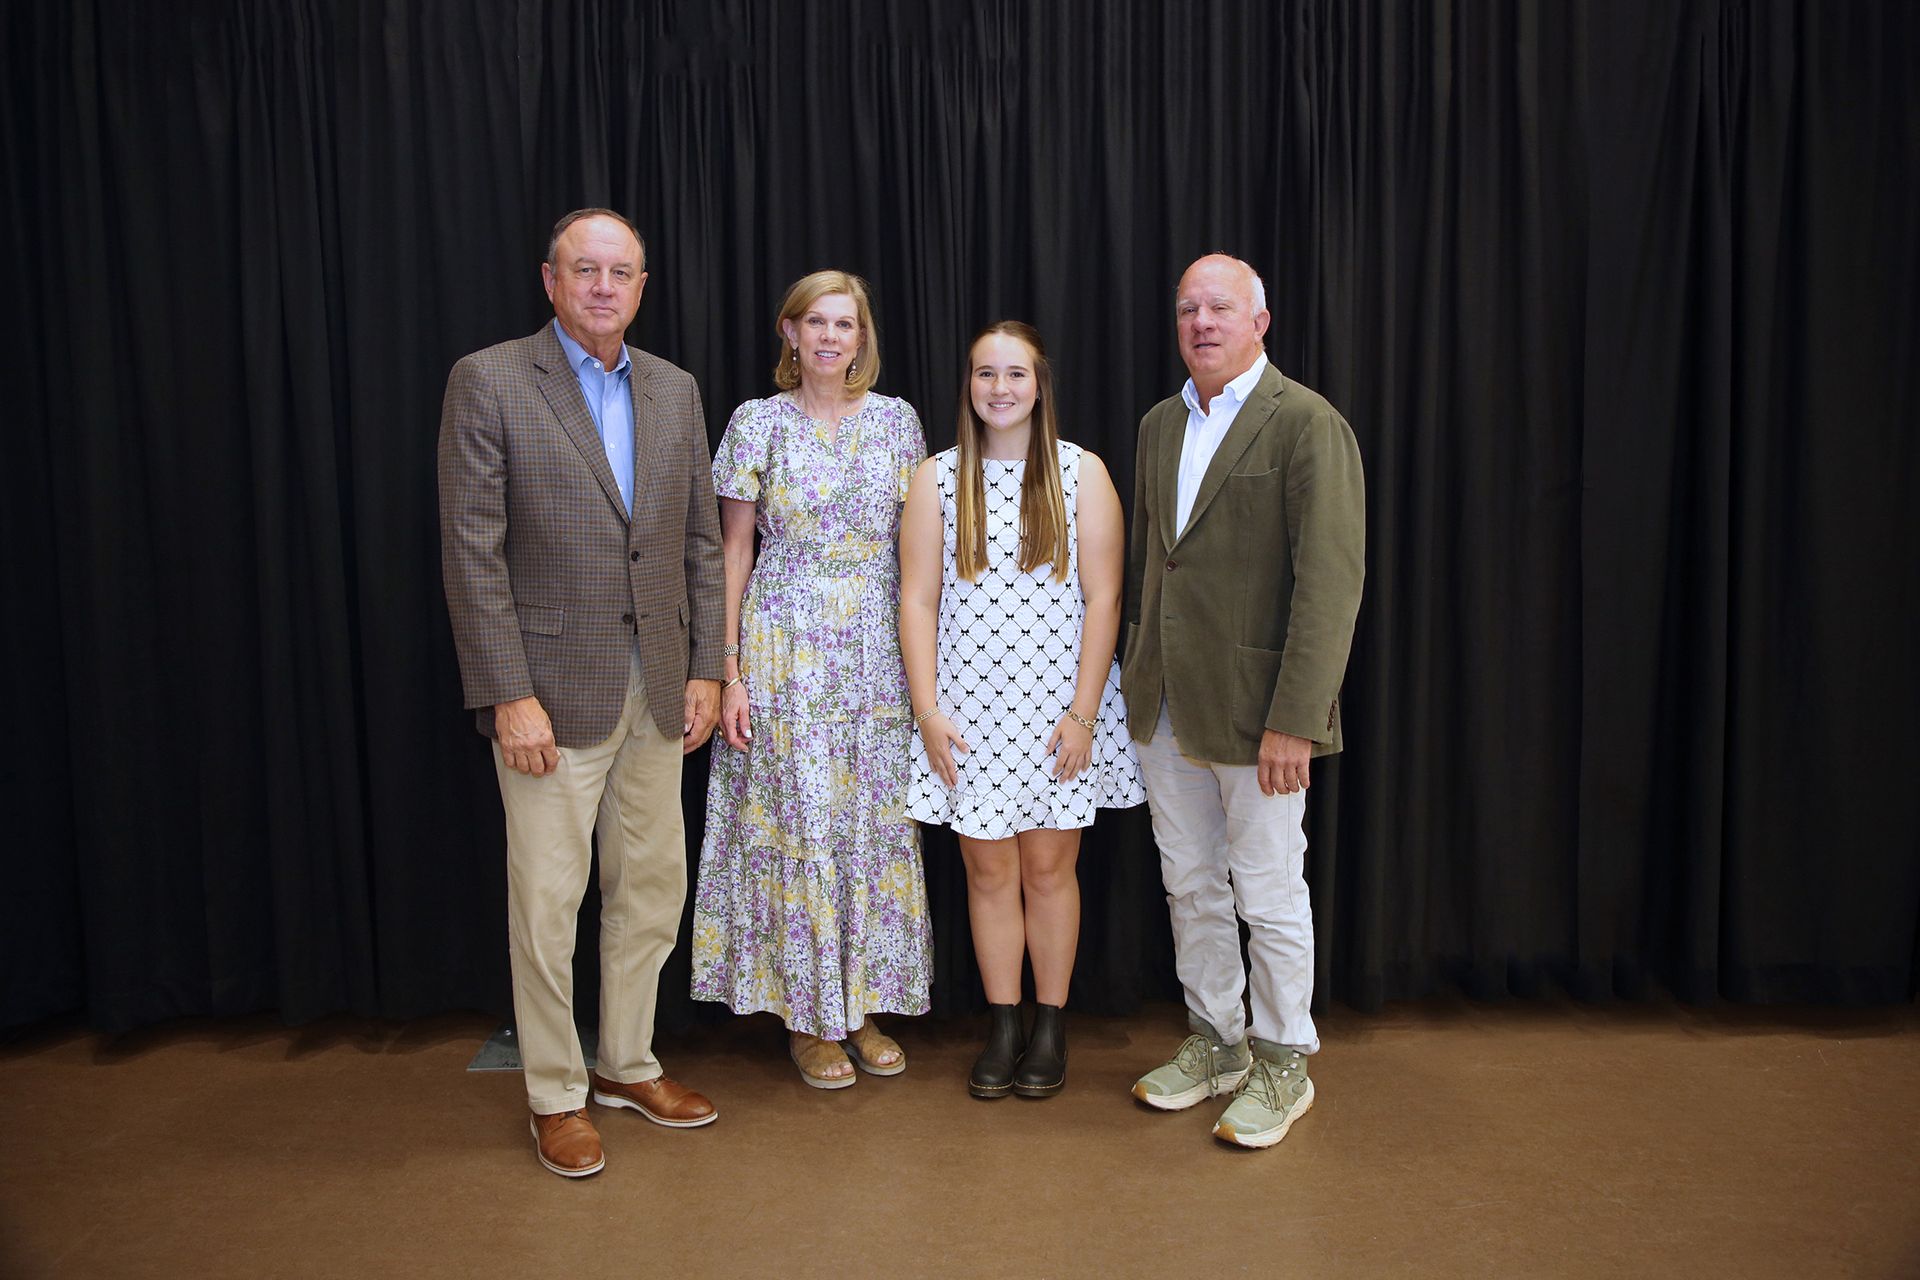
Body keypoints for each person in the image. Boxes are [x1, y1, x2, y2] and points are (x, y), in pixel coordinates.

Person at [438, 208, 725, 1178]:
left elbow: (695, 543)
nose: (604, 286)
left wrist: (707, 668)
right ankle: (555, 1093)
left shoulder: (675, 389)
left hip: (658, 694)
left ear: (642, 286)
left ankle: (626, 1063)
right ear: (551, 281)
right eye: (585, 269)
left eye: (622, 272)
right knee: (548, 903)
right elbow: (472, 552)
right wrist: (506, 692)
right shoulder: (489, 380)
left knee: (651, 891)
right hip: (549, 697)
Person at [1122, 253, 1365, 1148]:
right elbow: (1158, 566)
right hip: (1165, 708)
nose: (1202, 322)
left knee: (1267, 890)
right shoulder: (1159, 424)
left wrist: (1297, 718)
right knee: (1189, 884)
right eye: (1188, 308)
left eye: (1220, 307)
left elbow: (1330, 586)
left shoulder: (1306, 424)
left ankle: (1283, 1060)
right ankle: (1217, 1042)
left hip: (1262, 713)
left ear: (1261, 321)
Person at [691, 269, 933, 1089]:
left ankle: (858, 1007)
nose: (831, 337)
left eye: (846, 323)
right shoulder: (756, 423)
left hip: (875, 651)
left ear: (862, 338)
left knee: (866, 827)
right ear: (789, 334)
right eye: (815, 323)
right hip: (782, 648)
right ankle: (806, 1017)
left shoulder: (900, 423)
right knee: (798, 826)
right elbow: (731, 552)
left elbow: (916, 554)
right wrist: (727, 670)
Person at [899, 321, 1143, 1099]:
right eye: (983, 374)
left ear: (1040, 385)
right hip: (968, 712)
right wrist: (928, 710)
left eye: (1014, 374)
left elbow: (1105, 598)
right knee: (987, 866)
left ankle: (1050, 1023)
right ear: (967, 386)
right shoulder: (936, 479)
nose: (999, 388)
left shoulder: (1082, 474)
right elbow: (916, 598)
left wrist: (1082, 715)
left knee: (1047, 866)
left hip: (1057, 711)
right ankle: (1001, 1023)